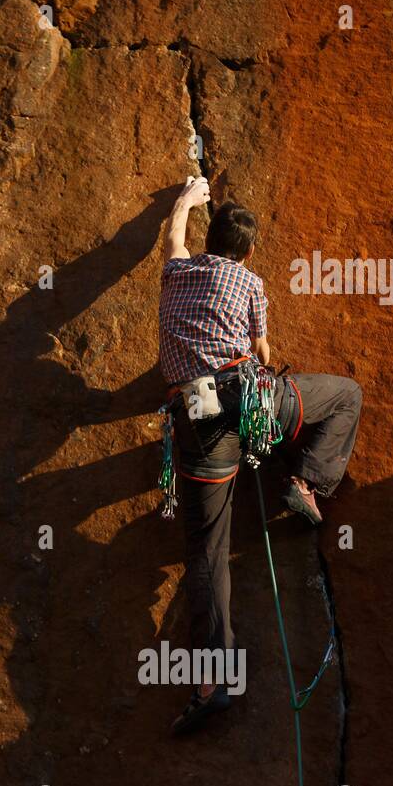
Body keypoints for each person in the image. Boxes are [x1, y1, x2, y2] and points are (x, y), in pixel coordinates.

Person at [158, 177, 363, 735]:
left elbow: (173, 238)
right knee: (345, 395)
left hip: (195, 413)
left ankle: (212, 682)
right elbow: (264, 351)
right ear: (248, 251)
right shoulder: (248, 282)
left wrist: (187, 198)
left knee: (207, 552)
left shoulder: (177, 271)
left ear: (208, 240)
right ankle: (305, 481)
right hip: (251, 401)